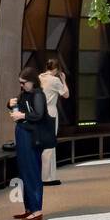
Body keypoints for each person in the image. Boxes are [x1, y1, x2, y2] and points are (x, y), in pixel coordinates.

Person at [8, 68, 53, 220]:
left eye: (23, 83)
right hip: (22, 134)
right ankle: (29, 208)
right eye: (20, 83)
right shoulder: (25, 93)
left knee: (32, 172)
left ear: (32, 81)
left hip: (32, 136)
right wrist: (10, 104)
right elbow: (19, 106)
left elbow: (39, 114)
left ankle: (37, 209)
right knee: (24, 172)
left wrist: (22, 115)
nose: (21, 86)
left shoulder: (38, 94)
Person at [38, 59, 69, 187]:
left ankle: (45, 175)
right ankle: (47, 177)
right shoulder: (55, 80)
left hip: (40, 112)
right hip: (50, 112)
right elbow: (66, 94)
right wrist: (63, 80)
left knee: (42, 143)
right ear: (56, 70)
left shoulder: (40, 77)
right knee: (50, 145)